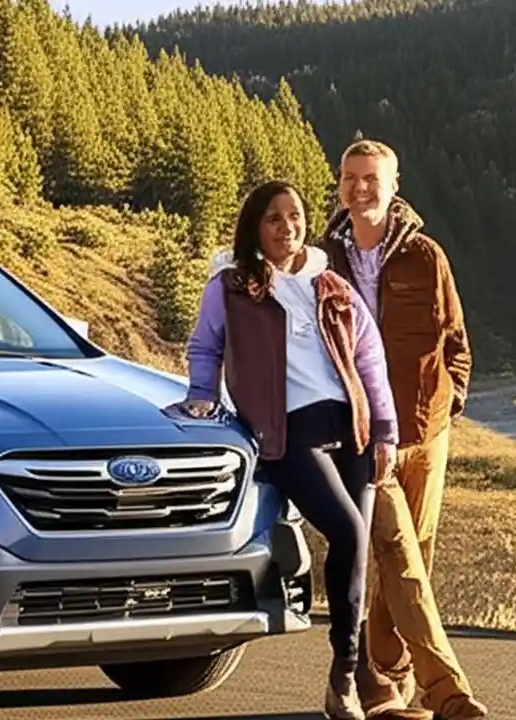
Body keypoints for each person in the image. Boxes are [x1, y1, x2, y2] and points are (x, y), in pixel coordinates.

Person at [182, 180, 398, 720]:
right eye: (274, 218)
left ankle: (345, 680)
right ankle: (347, 675)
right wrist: (201, 398)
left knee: (357, 551)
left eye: (295, 216)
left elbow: (369, 357)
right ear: (255, 227)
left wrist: (386, 430)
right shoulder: (231, 286)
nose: (287, 227)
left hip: (351, 427)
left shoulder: (330, 284)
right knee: (347, 531)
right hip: (289, 432)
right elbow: (204, 345)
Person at [320, 139, 487, 719]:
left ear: (394, 186)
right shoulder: (323, 262)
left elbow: (456, 339)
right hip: (367, 435)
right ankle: (448, 691)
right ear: (339, 183)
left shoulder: (425, 255)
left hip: (428, 431)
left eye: (371, 178)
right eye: (350, 176)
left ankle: (384, 684)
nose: (360, 187)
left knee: (415, 558)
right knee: (396, 553)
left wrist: (451, 399)